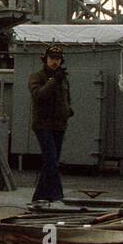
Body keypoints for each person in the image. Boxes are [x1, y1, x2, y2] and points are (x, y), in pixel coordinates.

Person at [28, 44, 73, 206]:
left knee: (50, 161)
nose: (55, 62)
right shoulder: (37, 77)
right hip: (43, 124)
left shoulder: (63, 78)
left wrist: (68, 111)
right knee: (51, 160)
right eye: (52, 59)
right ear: (45, 59)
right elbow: (39, 95)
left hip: (58, 125)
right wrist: (54, 81)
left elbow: (66, 98)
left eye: (58, 59)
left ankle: (39, 196)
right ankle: (56, 195)